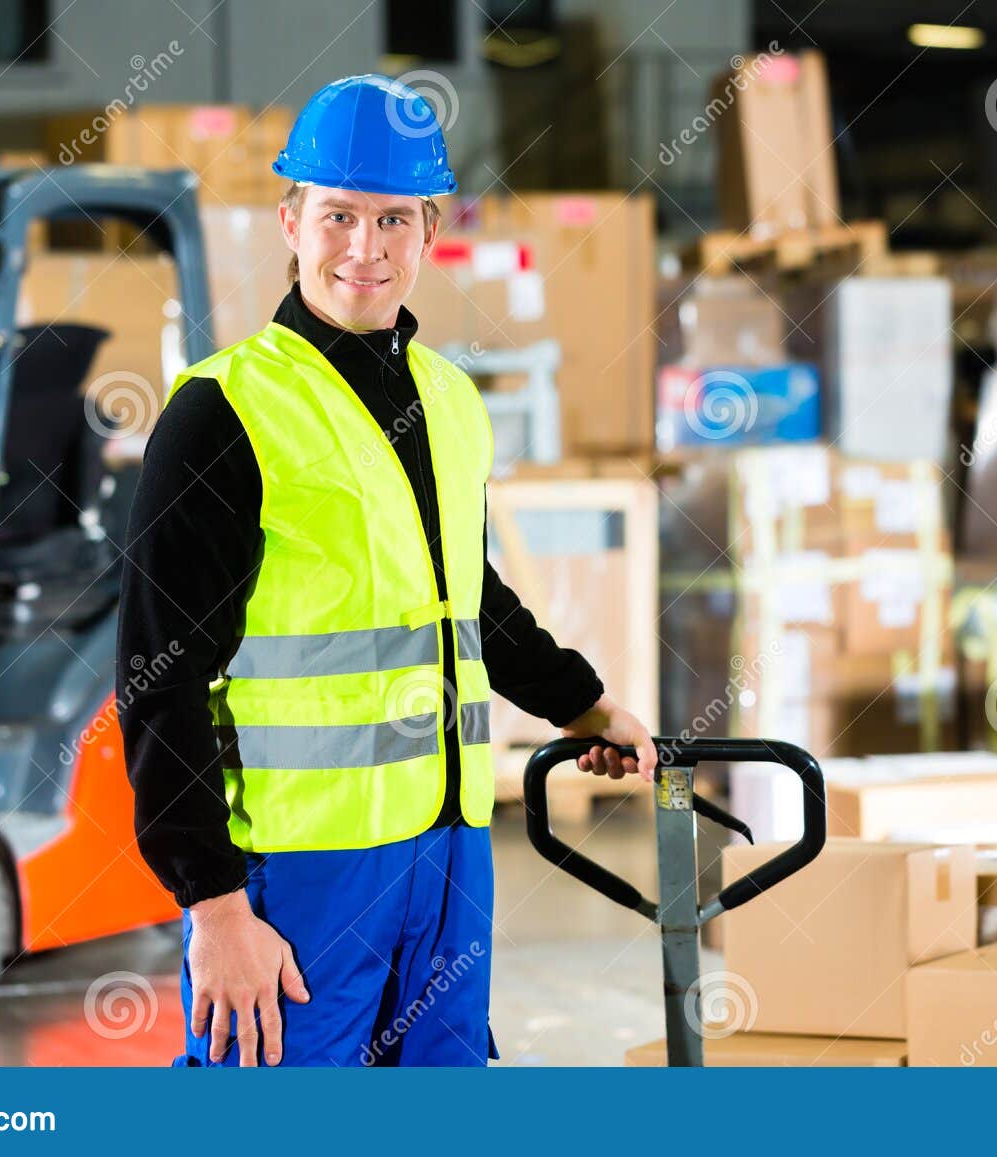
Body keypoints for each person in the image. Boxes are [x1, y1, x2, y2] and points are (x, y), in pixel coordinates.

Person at [117, 73, 657, 1068]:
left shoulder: (449, 400)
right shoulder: (223, 411)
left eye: (392, 220)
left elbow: (466, 597)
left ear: (428, 232)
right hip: (299, 869)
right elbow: (158, 674)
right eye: (337, 217)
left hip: (447, 850)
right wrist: (213, 903)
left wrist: (580, 702)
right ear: (290, 220)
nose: (364, 249)